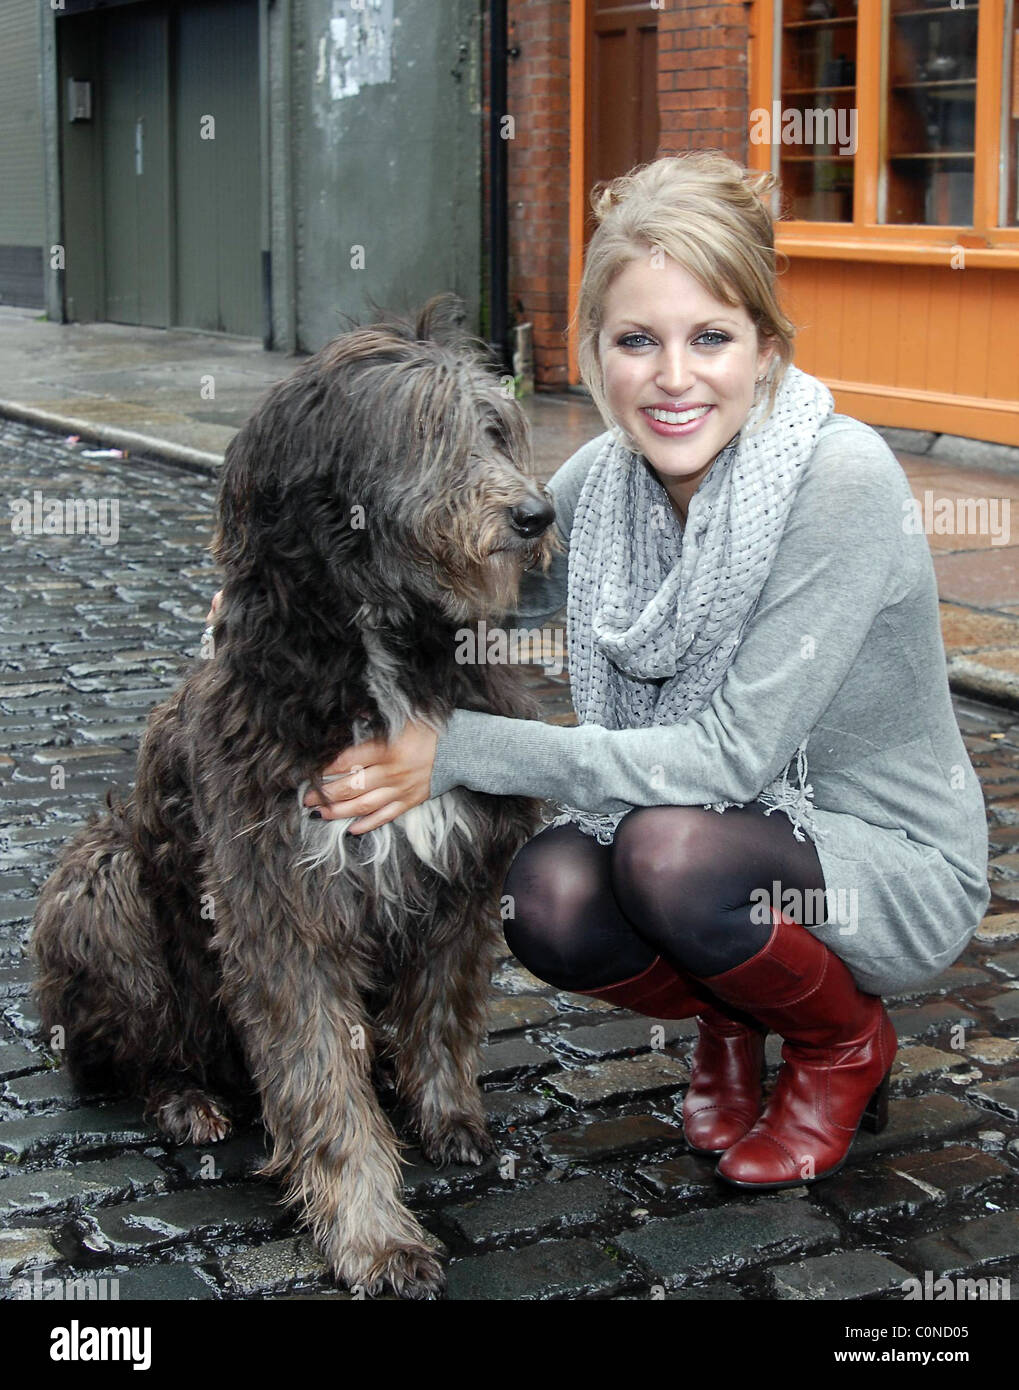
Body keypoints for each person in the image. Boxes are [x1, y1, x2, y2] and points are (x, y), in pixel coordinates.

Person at [299, 152, 991, 1190]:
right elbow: (461, 603)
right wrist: (296, 599)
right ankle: (733, 1012)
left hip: (884, 860)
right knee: (547, 898)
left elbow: (730, 758)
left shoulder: (839, 480)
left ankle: (840, 1042)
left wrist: (458, 750)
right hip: (721, 844)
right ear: (592, 353)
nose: (672, 377)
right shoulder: (601, 482)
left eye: (709, 337)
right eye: (636, 340)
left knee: (668, 855)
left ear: (765, 349)